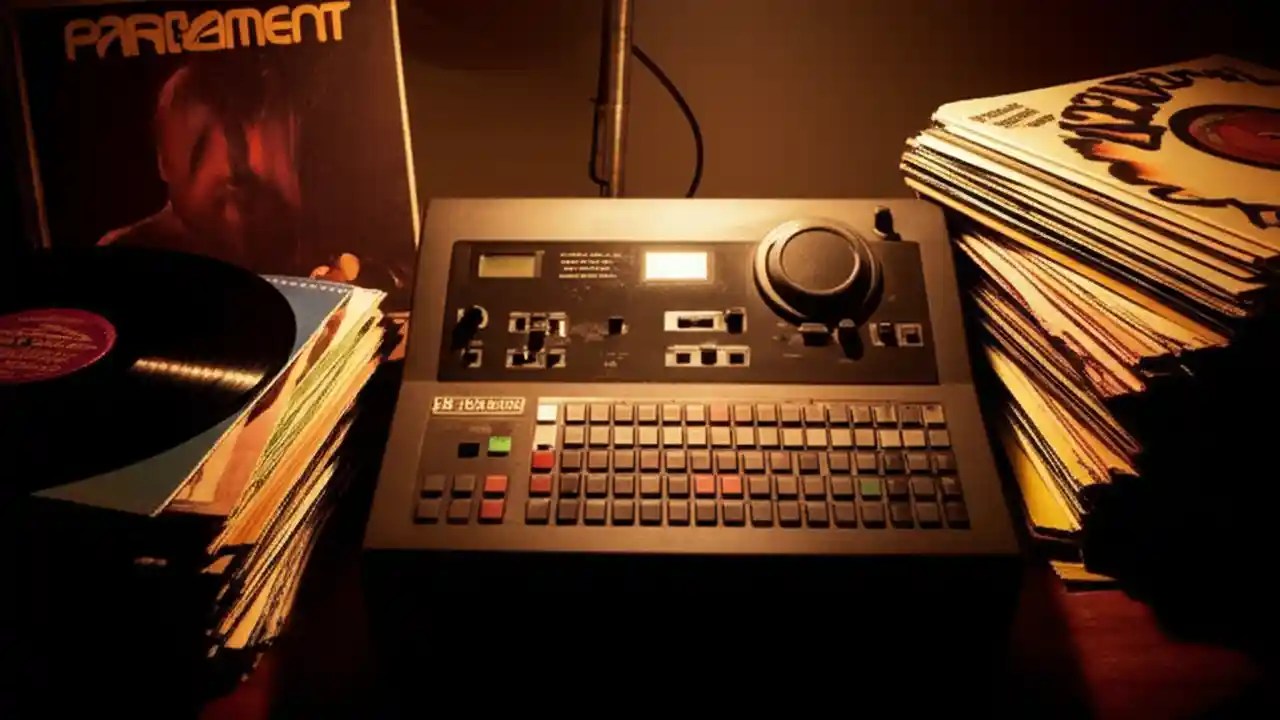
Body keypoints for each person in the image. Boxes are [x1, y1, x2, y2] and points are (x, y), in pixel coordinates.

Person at [99, 55, 364, 284]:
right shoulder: (128, 256)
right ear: (164, 162)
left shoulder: (335, 247)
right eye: (202, 148)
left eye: (264, 148)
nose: (235, 170)